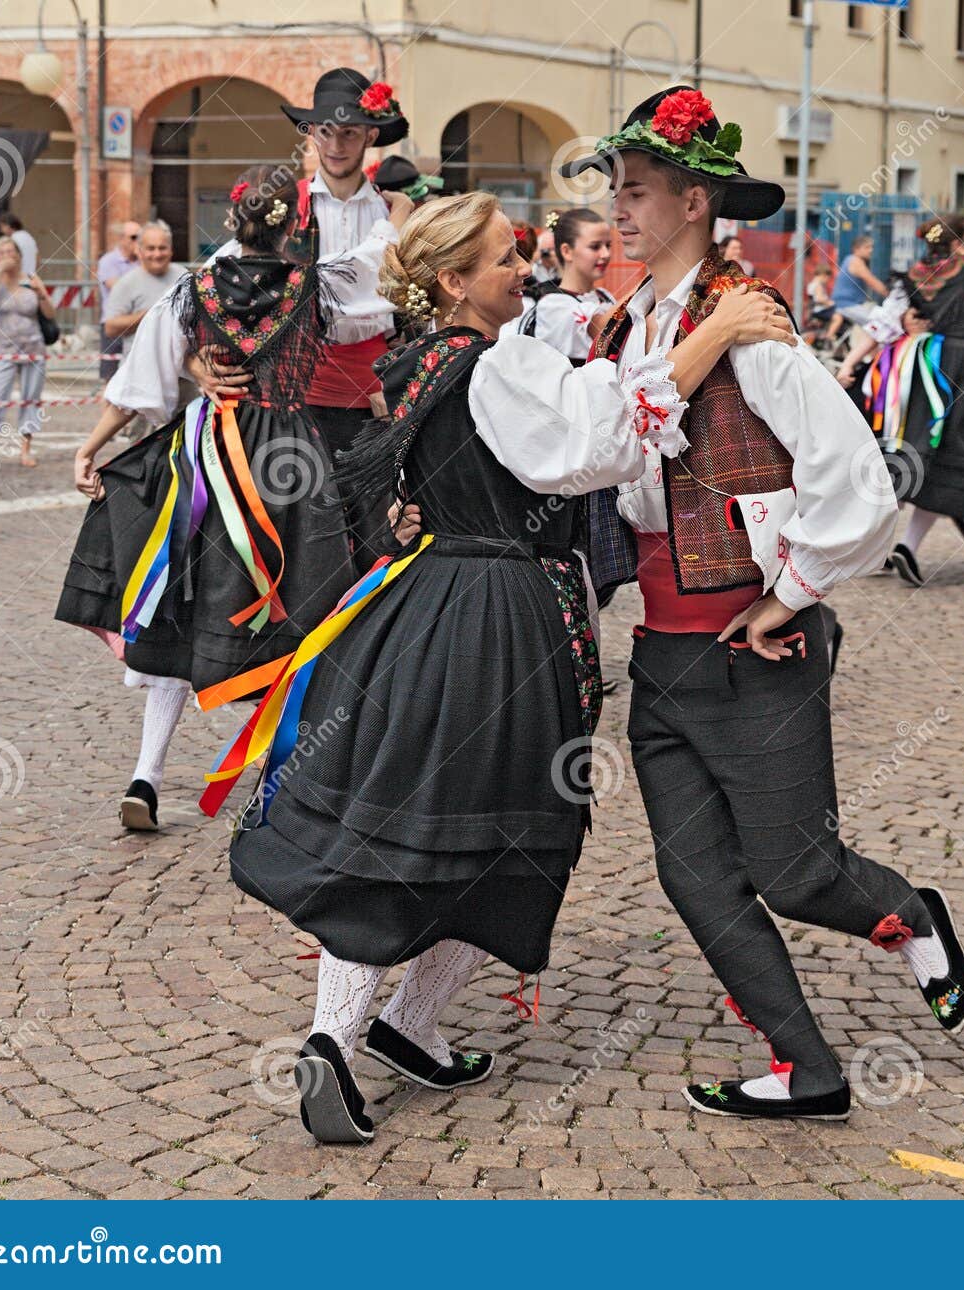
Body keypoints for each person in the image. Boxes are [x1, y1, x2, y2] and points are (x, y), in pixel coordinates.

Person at [202, 191, 791, 1143]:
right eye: (505, 258)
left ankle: (404, 1031)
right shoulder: (494, 361)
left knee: (443, 824)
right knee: (472, 830)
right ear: (452, 282)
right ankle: (334, 1046)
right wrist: (717, 330)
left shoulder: (437, 356)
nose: (525, 269)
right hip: (501, 616)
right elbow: (590, 447)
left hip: (430, 599)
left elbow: (565, 416)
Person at [531, 86, 964, 1121]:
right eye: (614, 192)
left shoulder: (756, 333)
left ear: (694, 201)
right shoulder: (625, 329)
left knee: (796, 873)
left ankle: (909, 915)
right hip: (664, 656)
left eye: (636, 191)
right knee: (693, 877)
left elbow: (858, 480)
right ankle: (807, 1069)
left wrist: (793, 595)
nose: (618, 211)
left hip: (755, 652)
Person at [55, 166, 409, 831]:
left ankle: (147, 774)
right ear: (293, 227)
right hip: (295, 463)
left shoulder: (195, 290)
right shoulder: (318, 286)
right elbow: (377, 294)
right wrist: (396, 222)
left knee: (181, 603)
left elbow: (147, 370)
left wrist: (92, 445)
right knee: (299, 609)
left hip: (212, 451)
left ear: (230, 223)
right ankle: (292, 787)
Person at [202, 68, 407, 574]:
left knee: (374, 539)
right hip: (295, 400)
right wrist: (197, 359)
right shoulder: (280, 205)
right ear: (310, 135)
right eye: (326, 132)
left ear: (371, 136)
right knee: (301, 546)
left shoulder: (396, 212)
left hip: (373, 399)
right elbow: (211, 286)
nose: (336, 144)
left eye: (350, 133)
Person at [836, 215, 964, 586]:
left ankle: (882, 547)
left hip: (924, 372)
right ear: (962, 239)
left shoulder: (915, 276)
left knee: (915, 454)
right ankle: (915, 541)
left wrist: (850, 363)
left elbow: (882, 324)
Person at [0, 235, 53, 472]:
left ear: (19, 256)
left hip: (33, 347)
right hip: (1, 349)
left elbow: (50, 313)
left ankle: (25, 450)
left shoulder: (31, 279)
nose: (7, 256)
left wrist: (41, 293)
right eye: (2, 253)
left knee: (30, 399)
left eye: (11, 252)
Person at [518, 208, 616, 359]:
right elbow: (604, 329)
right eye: (595, 247)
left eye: (608, 246)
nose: (605, 254)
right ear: (566, 251)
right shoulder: (553, 304)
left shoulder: (605, 296)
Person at [104, 222, 187, 360]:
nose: (157, 254)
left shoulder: (184, 276)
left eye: (162, 248)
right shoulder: (126, 283)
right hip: (139, 371)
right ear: (140, 251)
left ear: (171, 250)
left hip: (181, 372)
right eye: (150, 248)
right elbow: (110, 328)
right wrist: (150, 314)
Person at [97, 221, 142, 381]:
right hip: (114, 325)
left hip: (138, 324)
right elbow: (118, 290)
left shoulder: (142, 262)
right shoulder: (108, 261)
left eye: (141, 237)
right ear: (122, 239)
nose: (138, 241)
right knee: (111, 377)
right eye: (134, 237)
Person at [824, 232, 886, 340]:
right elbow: (872, 282)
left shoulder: (849, 259)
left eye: (871, 247)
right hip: (847, 304)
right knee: (877, 324)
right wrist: (889, 293)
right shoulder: (856, 261)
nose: (871, 250)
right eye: (867, 247)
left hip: (847, 303)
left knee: (871, 326)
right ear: (856, 249)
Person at [0, 212, 38, 277]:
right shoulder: (29, 237)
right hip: (30, 278)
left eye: (2, 227)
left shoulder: (11, 240)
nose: (1, 230)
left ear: (8, 225)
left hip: (18, 279)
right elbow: (37, 258)